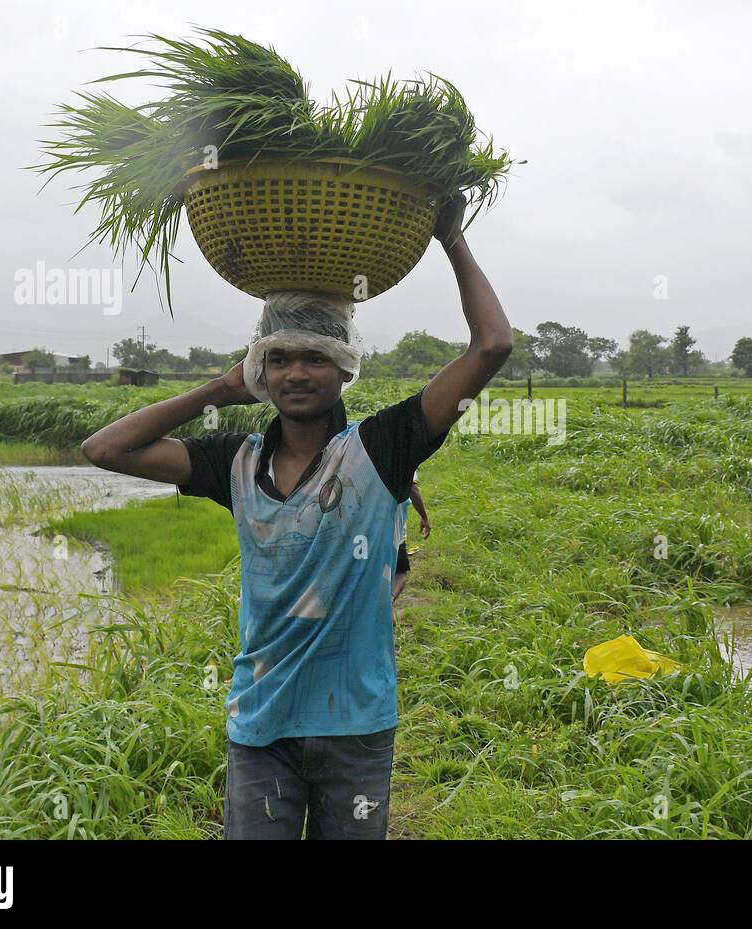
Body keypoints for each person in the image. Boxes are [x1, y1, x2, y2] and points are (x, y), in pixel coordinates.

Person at [79, 195, 512, 838]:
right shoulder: (235, 462)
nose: (296, 374)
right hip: (261, 725)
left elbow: (492, 344)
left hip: (355, 728)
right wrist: (221, 388)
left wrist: (450, 236)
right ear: (261, 371)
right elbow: (104, 449)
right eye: (278, 359)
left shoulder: (380, 448)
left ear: (344, 369)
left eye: (314, 358)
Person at [392, 472, 430, 603]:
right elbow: (412, 488)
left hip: (367, 524)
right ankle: (388, 602)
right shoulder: (405, 456)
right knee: (400, 573)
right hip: (393, 527)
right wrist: (424, 517)